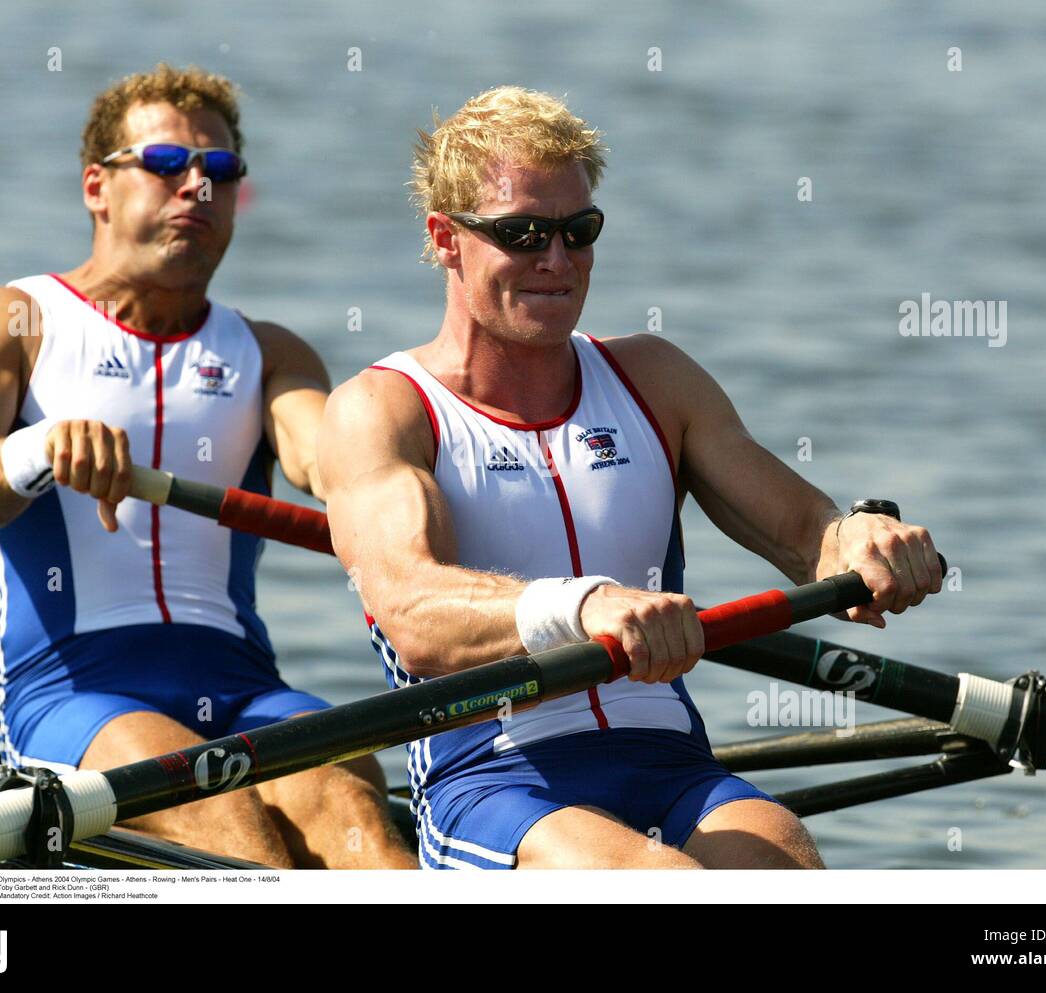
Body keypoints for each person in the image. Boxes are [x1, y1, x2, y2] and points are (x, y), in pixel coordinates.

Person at [318, 86, 943, 869]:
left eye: (579, 231)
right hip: (496, 781)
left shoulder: (656, 379)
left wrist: (861, 537)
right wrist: (585, 604)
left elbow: (803, 533)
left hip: (672, 766)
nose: (557, 260)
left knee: (788, 859)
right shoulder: (383, 410)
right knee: (661, 880)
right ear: (446, 239)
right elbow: (412, 612)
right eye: (522, 233)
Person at [0, 64, 415, 869]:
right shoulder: (14, 321)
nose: (197, 190)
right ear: (97, 187)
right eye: (169, 166)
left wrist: (402, 470)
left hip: (249, 688)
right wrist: (37, 448)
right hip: (76, 695)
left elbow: (330, 458)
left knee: (351, 799)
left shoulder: (273, 353)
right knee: (221, 814)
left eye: (218, 172)